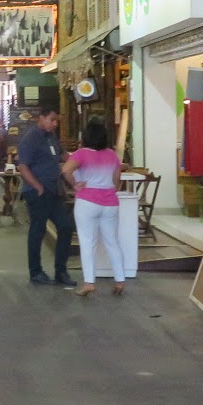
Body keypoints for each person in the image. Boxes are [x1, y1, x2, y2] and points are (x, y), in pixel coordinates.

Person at [63, 121, 127, 296]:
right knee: (112, 242)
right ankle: (120, 281)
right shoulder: (112, 155)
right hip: (110, 203)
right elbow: (117, 180)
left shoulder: (81, 154)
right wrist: (108, 189)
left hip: (87, 202)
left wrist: (75, 184)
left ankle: (89, 283)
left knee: (87, 243)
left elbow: (65, 170)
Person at [19, 105, 75, 287]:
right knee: (38, 230)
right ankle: (35, 272)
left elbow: (63, 155)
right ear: (41, 118)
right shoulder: (31, 139)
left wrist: (81, 159)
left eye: (56, 120)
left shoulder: (52, 137)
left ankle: (61, 271)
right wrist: (37, 186)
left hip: (54, 191)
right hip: (38, 193)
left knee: (66, 227)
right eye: (52, 120)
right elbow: (23, 166)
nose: (55, 124)